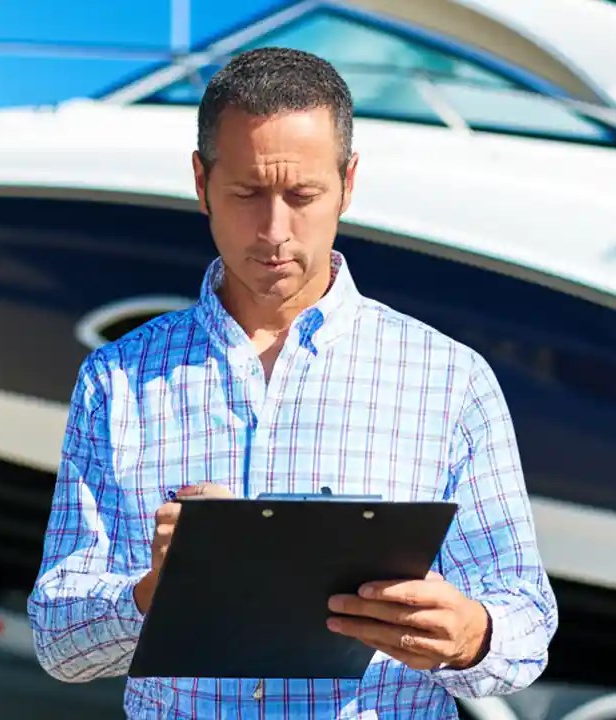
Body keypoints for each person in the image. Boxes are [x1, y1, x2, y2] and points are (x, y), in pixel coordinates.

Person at [27, 46, 557, 719]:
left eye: (302, 196)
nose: (275, 231)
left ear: (348, 182)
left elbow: (527, 625)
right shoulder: (119, 380)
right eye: (247, 193)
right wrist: (153, 593)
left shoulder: (450, 380)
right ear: (201, 182)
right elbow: (57, 640)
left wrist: (470, 635)